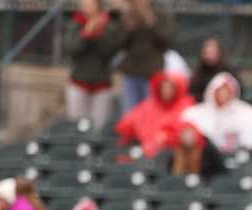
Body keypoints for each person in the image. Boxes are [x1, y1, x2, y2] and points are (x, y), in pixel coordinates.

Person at [64, 0, 123, 129]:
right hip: (79, 82)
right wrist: (86, 34)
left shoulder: (108, 24)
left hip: (102, 84)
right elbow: (71, 49)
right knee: (77, 126)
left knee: (99, 128)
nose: (86, 6)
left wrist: (98, 34)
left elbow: (110, 51)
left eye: (90, 3)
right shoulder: (76, 23)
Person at [181, 72, 252, 154]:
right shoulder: (196, 112)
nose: (223, 94)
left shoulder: (246, 112)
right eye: (220, 91)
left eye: (227, 91)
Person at [115, 0, 176, 115]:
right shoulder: (130, 15)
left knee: (150, 114)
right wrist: (129, 26)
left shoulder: (161, 14)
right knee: (130, 113)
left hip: (152, 74)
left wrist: (152, 21)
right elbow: (120, 44)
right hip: (131, 72)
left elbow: (166, 41)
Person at [114, 70, 194, 158]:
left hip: (173, 153)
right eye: (164, 87)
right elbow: (126, 124)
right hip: (145, 151)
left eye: (170, 87)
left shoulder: (186, 104)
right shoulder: (150, 104)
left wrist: (166, 137)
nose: (167, 91)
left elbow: (185, 129)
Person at [188, 36, 240, 102]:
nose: (209, 56)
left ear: (219, 52)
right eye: (207, 53)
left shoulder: (229, 72)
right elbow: (193, 94)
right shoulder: (198, 73)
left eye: (212, 52)